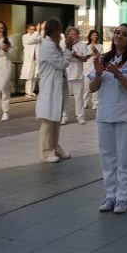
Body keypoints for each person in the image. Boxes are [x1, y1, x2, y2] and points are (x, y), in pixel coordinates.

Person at [89, 24, 127, 214]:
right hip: (106, 113)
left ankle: (122, 198)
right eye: (117, 33)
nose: (119, 36)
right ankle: (110, 196)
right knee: (107, 157)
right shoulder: (104, 58)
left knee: (125, 158)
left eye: (124, 34)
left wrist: (118, 74)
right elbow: (92, 88)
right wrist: (99, 72)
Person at [35, 18, 74, 163]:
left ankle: (55, 147)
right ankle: (46, 151)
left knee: (56, 120)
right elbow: (62, 63)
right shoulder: (48, 46)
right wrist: (69, 48)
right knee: (49, 120)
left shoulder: (54, 45)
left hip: (57, 87)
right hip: (50, 87)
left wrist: (66, 49)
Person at [63, 27, 90, 125]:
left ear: (78, 35)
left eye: (75, 34)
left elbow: (85, 59)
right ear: (67, 35)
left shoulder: (82, 45)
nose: (73, 36)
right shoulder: (63, 45)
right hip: (66, 75)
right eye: (71, 34)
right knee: (65, 97)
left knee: (79, 97)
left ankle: (80, 116)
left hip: (78, 75)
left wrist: (76, 56)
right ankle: (64, 116)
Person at [83, 29, 104, 109]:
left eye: (96, 35)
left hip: (95, 69)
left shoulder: (100, 46)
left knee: (96, 86)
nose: (95, 37)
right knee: (86, 87)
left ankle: (95, 102)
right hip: (87, 68)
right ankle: (85, 102)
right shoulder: (86, 46)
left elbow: (101, 57)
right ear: (90, 36)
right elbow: (85, 56)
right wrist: (92, 53)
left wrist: (96, 51)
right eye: (93, 35)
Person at [20, 23, 41, 97]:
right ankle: (27, 92)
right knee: (29, 76)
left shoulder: (37, 36)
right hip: (29, 59)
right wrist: (37, 31)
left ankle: (32, 91)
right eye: (31, 29)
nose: (32, 31)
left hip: (36, 59)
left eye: (33, 29)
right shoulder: (25, 37)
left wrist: (38, 33)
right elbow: (31, 40)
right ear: (27, 30)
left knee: (34, 76)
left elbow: (38, 40)